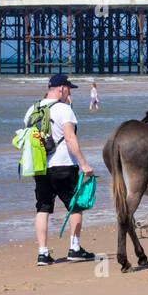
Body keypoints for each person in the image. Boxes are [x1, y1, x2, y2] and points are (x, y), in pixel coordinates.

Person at [27, 74, 95, 265]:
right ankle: (74, 248)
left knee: (42, 208)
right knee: (75, 206)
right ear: (62, 89)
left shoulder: (31, 110)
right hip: (64, 164)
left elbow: (27, 144)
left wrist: (33, 169)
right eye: (69, 89)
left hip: (40, 167)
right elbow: (70, 138)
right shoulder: (64, 109)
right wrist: (84, 164)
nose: (69, 93)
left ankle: (42, 253)